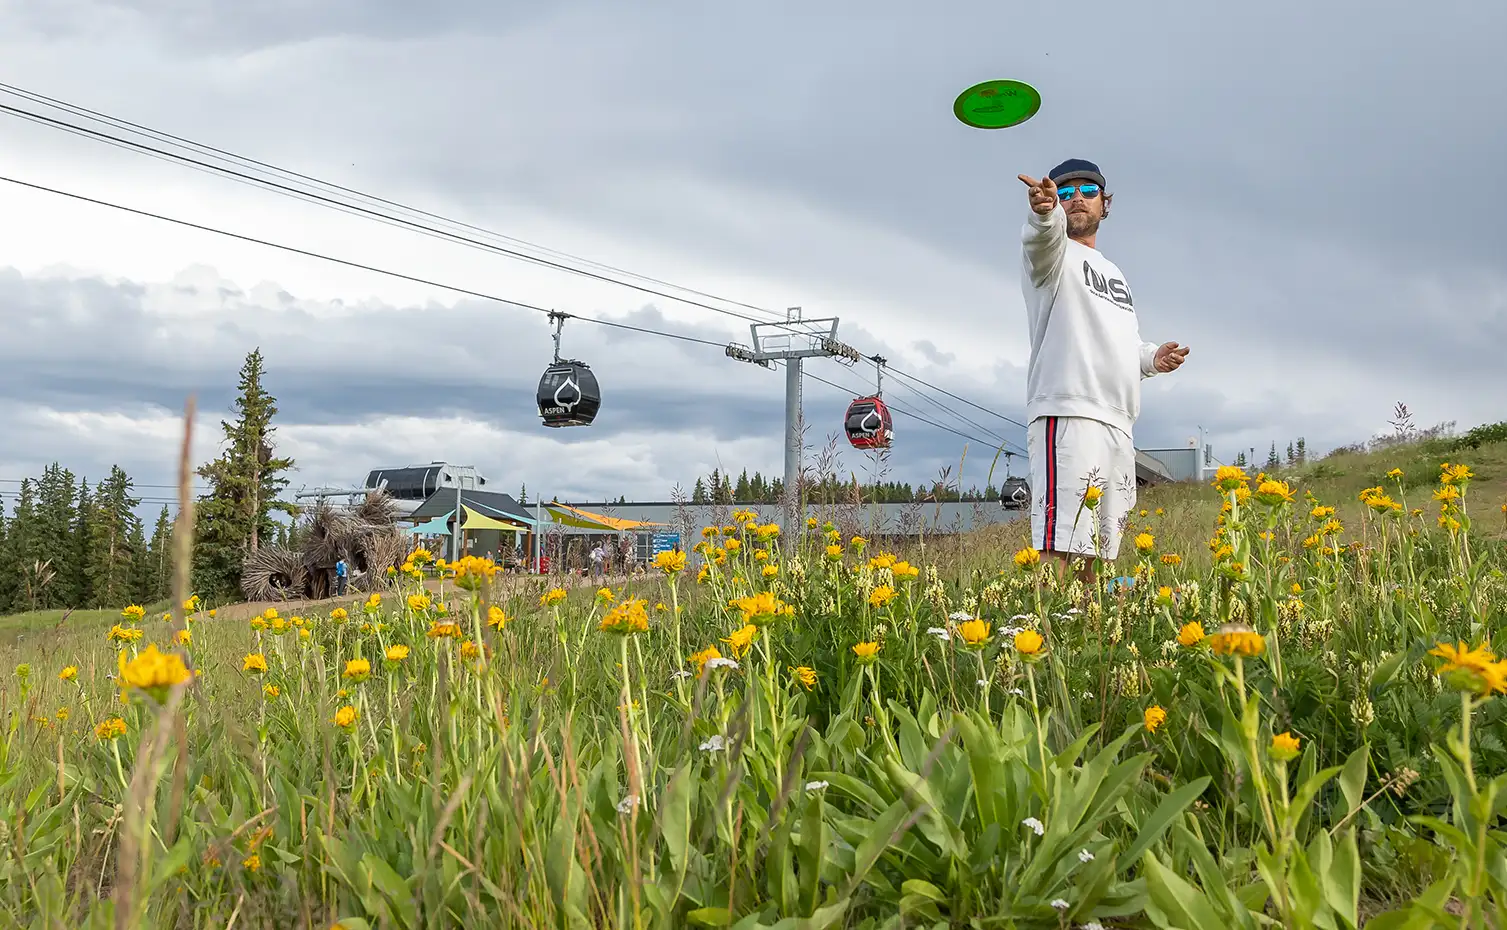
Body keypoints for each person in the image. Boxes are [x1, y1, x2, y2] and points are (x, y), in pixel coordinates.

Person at [1017, 158, 1189, 581]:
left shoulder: (1115, 274)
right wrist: (1043, 214)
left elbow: (1122, 341)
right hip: (1069, 410)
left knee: (1100, 548)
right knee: (1060, 542)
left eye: (1088, 191)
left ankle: (1087, 635)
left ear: (1104, 203)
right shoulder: (1052, 252)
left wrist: (1151, 358)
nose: (1077, 198)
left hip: (1118, 422)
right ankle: (1046, 632)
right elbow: (1041, 241)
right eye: (1066, 191)